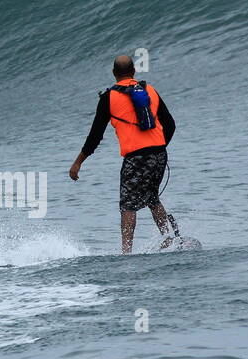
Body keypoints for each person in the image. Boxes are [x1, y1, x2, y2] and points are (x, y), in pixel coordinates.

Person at [69, 55, 183, 253]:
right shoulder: (150, 90)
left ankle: (126, 252)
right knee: (151, 197)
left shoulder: (108, 98)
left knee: (127, 205)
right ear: (134, 72)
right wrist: (159, 146)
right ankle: (168, 238)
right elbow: (170, 124)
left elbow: (95, 136)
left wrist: (78, 162)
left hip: (136, 158)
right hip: (159, 155)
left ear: (114, 73)